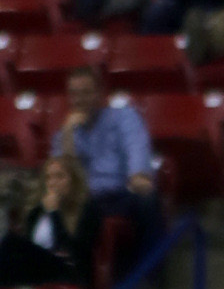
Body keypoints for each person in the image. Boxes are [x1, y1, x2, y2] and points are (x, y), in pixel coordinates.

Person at [51, 66, 165, 265]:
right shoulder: (65, 134)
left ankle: (150, 274)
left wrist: (138, 174)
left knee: (147, 199)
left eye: (86, 93)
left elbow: (135, 145)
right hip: (86, 201)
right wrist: (69, 133)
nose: (79, 100)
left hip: (120, 194)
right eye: (74, 94)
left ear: (99, 94)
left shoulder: (122, 116)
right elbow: (62, 174)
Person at [0, 156, 100, 289]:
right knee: (9, 247)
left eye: (60, 177)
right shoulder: (37, 212)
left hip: (69, 272)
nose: (53, 183)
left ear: (74, 181)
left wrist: (54, 213)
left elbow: (75, 254)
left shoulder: (88, 210)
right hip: (38, 269)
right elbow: (31, 246)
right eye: (48, 178)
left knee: (13, 244)